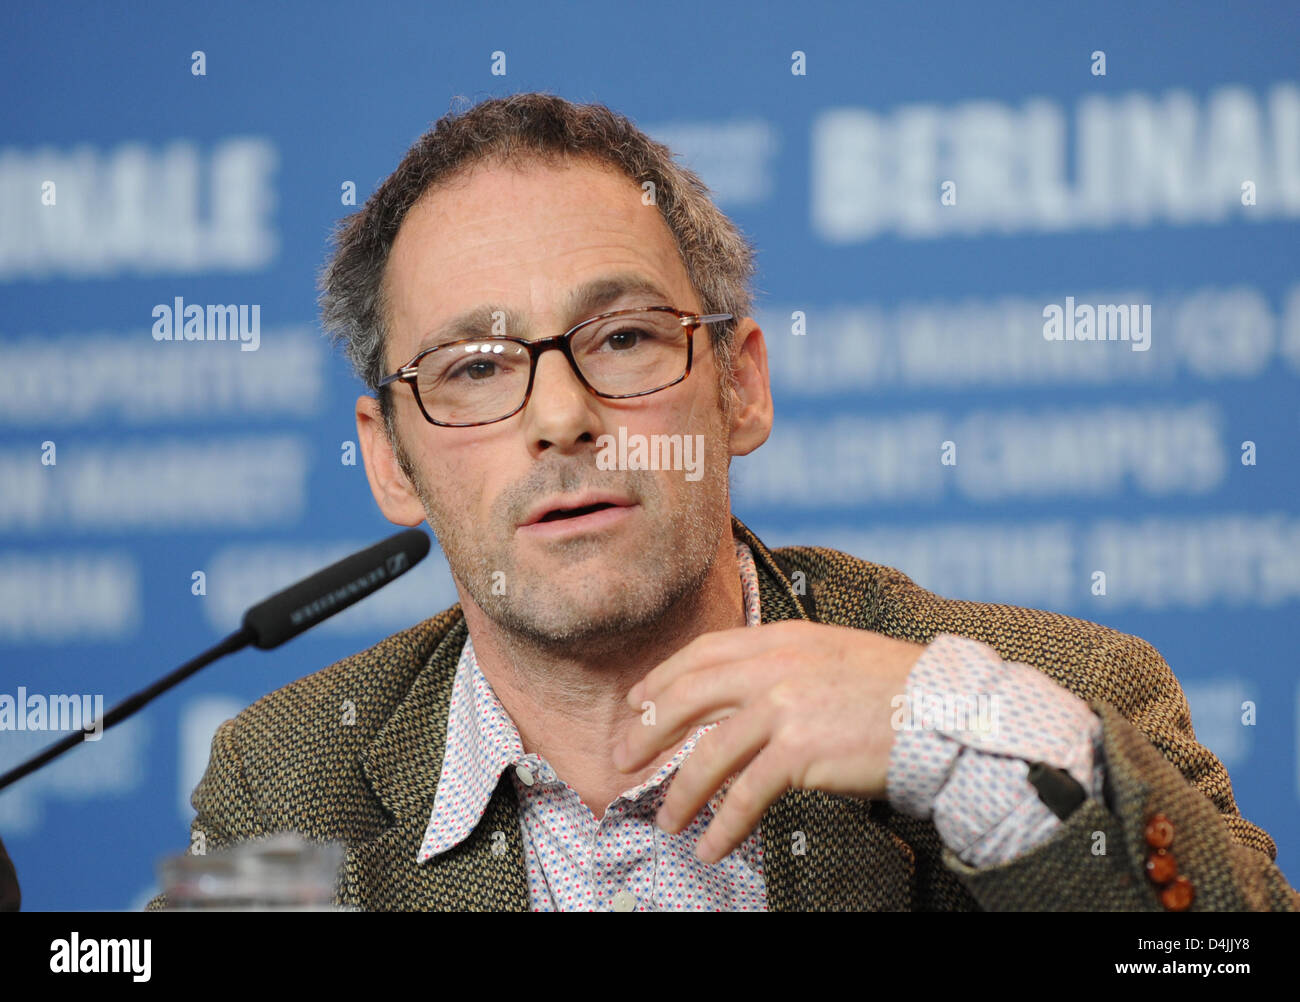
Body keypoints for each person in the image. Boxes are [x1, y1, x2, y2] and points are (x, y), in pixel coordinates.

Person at [149, 93, 1298, 911]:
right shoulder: (283, 778)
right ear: (390, 458)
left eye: (625, 337)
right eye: (476, 367)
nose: (559, 416)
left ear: (738, 385)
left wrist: (964, 743)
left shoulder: (1053, 695)